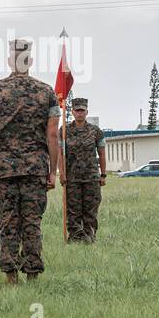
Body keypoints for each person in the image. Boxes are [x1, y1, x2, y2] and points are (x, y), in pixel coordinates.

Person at [0, 37, 61, 283]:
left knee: (7, 223)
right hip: (35, 169)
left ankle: (11, 278)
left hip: (2, 171)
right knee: (32, 224)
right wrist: (53, 172)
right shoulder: (45, 92)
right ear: (31, 60)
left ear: (9, 60)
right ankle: (33, 276)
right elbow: (52, 135)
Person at [62, 97, 106, 241]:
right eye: (77, 110)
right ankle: (75, 238)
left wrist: (103, 174)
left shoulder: (95, 131)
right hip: (72, 177)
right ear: (72, 112)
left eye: (82, 110)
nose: (80, 113)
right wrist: (61, 173)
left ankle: (90, 236)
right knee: (73, 210)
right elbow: (60, 154)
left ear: (87, 112)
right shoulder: (64, 131)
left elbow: (102, 153)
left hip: (91, 177)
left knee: (90, 209)